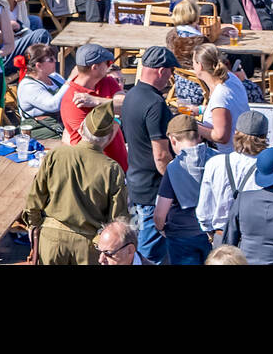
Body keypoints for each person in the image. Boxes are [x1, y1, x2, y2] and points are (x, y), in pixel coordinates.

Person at [24, 103, 128, 264]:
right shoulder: (112, 169)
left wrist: (35, 226)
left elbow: (35, 198)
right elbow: (117, 219)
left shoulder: (57, 154)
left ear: (80, 129)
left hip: (51, 241)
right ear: (109, 137)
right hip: (88, 247)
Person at [119, 45, 176, 265]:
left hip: (135, 185)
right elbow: (161, 156)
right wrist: (176, 183)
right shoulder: (156, 104)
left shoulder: (131, 95)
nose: (170, 78)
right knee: (149, 255)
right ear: (161, 71)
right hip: (153, 191)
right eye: (170, 71)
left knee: (136, 249)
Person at [154, 114, 214, 265]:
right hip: (213, 234)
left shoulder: (174, 168)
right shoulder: (218, 159)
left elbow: (160, 213)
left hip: (181, 237)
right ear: (199, 136)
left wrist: (161, 228)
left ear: (173, 140)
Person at [197, 110, 268, 238]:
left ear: (236, 133)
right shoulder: (267, 167)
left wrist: (209, 232)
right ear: (264, 137)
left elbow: (204, 208)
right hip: (254, 238)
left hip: (221, 234)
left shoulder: (215, 163)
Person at [58, 43, 128, 166]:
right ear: (95, 67)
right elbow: (94, 144)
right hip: (97, 171)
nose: (109, 66)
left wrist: (97, 102)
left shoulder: (108, 81)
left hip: (121, 166)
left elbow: (126, 103)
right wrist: (117, 118)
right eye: (107, 63)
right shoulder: (73, 100)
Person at [192, 43, 250, 154]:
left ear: (200, 66)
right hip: (243, 147)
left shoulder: (220, 96)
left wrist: (193, 125)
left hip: (227, 156)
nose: (192, 66)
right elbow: (231, 108)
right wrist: (199, 109)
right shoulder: (230, 78)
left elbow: (221, 136)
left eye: (193, 63)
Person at [0, 0, 51, 69]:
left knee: (35, 20)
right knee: (42, 34)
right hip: (4, 47)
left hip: (17, 37)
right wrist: (7, 26)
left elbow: (25, 25)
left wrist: (21, 29)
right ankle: (44, 66)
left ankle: (37, 59)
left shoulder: (20, 2)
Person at [14, 43, 70, 138]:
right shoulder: (28, 86)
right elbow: (53, 105)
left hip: (58, 123)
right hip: (40, 129)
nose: (55, 61)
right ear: (39, 65)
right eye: (51, 60)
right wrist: (70, 82)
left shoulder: (54, 77)